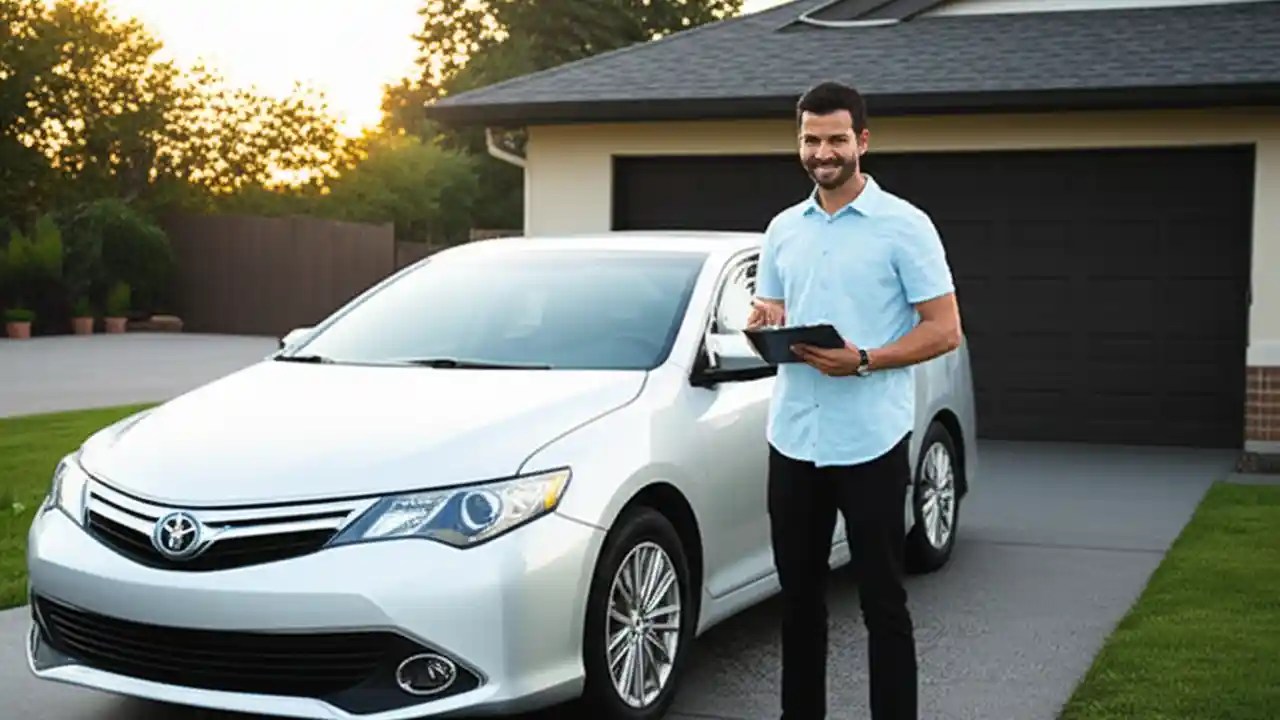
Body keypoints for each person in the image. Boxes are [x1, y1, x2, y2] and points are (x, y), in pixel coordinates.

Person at [746, 80, 963, 720]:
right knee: (799, 603)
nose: (823, 152)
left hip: (870, 438)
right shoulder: (783, 229)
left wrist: (864, 360)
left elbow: (944, 329)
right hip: (792, 437)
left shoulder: (905, 226)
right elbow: (775, 311)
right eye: (811, 140)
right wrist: (763, 324)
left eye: (836, 139)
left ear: (862, 141)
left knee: (882, 604)